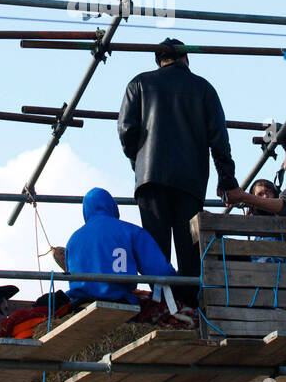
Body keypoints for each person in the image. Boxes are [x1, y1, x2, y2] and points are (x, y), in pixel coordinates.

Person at [118, 38, 238, 306]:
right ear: (186, 58)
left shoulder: (139, 83)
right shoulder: (203, 88)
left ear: (159, 60)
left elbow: (127, 131)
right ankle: (190, 307)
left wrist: (138, 163)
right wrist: (227, 179)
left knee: (155, 249)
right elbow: (219, 138)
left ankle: (162, 304)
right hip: (190, 180)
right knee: (189, 249)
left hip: (150, 178)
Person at [60, 187, 179, 306]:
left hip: (81, 304)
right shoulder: (131, 231)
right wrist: (178, 279)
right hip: (120, 302)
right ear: (113, 206)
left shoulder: (73, 240)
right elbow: (159, 271)